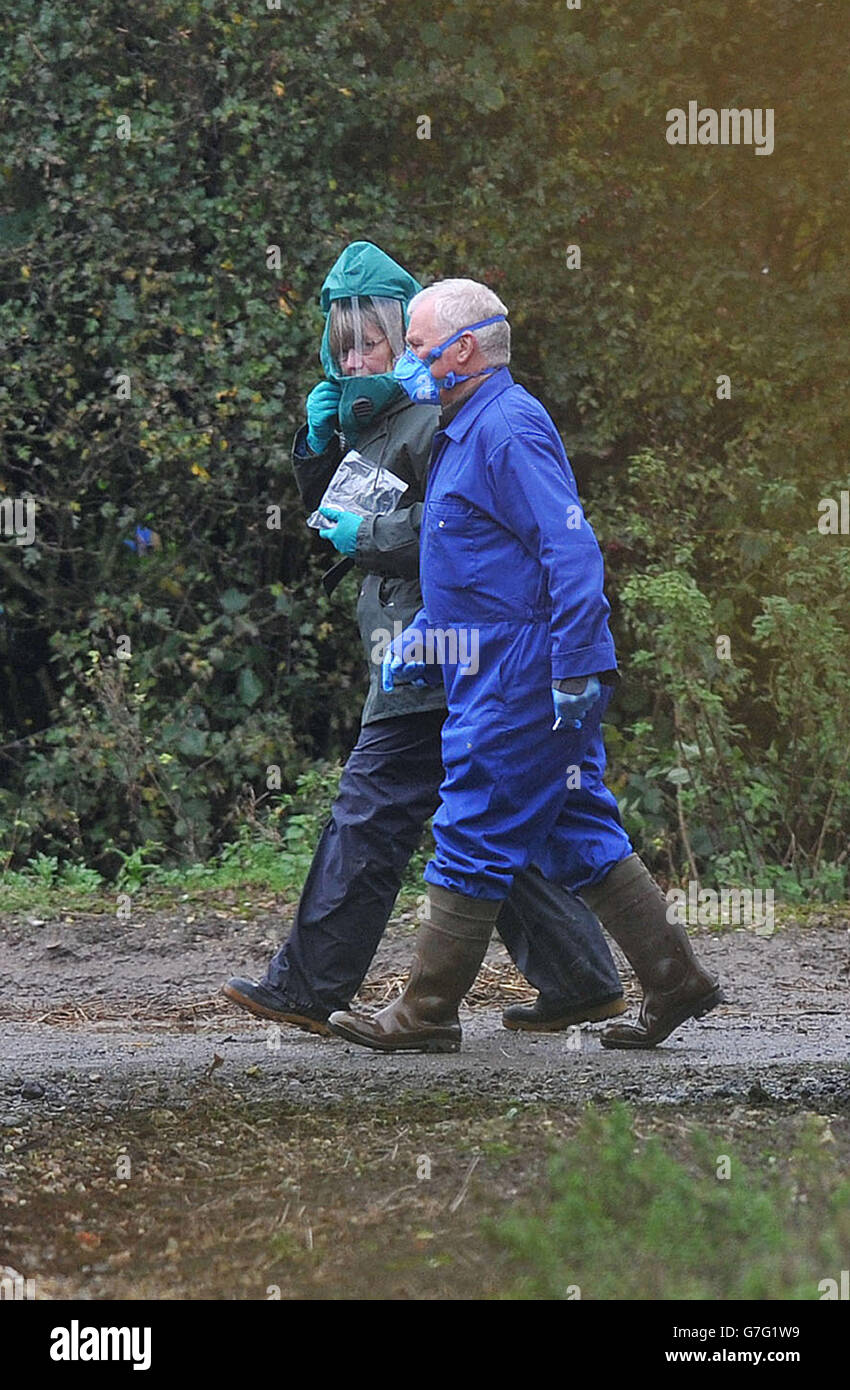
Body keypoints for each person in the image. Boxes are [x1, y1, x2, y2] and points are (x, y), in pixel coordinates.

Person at [223, 243, 626, 1035]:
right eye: (342, 343)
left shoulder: (438, 409)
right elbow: (334, 513)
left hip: (445, 644)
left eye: (375, 340)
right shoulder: (373, 411)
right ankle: (583, 982)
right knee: (489, 820)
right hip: (421, 641)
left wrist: (363, 531)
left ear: (416, 335)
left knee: (374, 809)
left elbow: (451, 534)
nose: (357, 357)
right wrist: (315, 446)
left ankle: (320, 986)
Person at [328, 278, 723, 1053]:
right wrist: (425, 642)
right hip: (492, 665)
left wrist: (574, 664)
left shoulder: (506, 428)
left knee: (471, 821)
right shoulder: (462, 429)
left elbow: (569, 548)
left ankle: (425, 1012)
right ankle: (677, 982)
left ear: (462, 349)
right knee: (577, 830)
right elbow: (476, 563)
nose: (406, 361)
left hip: (526, 675)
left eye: (414, 346)